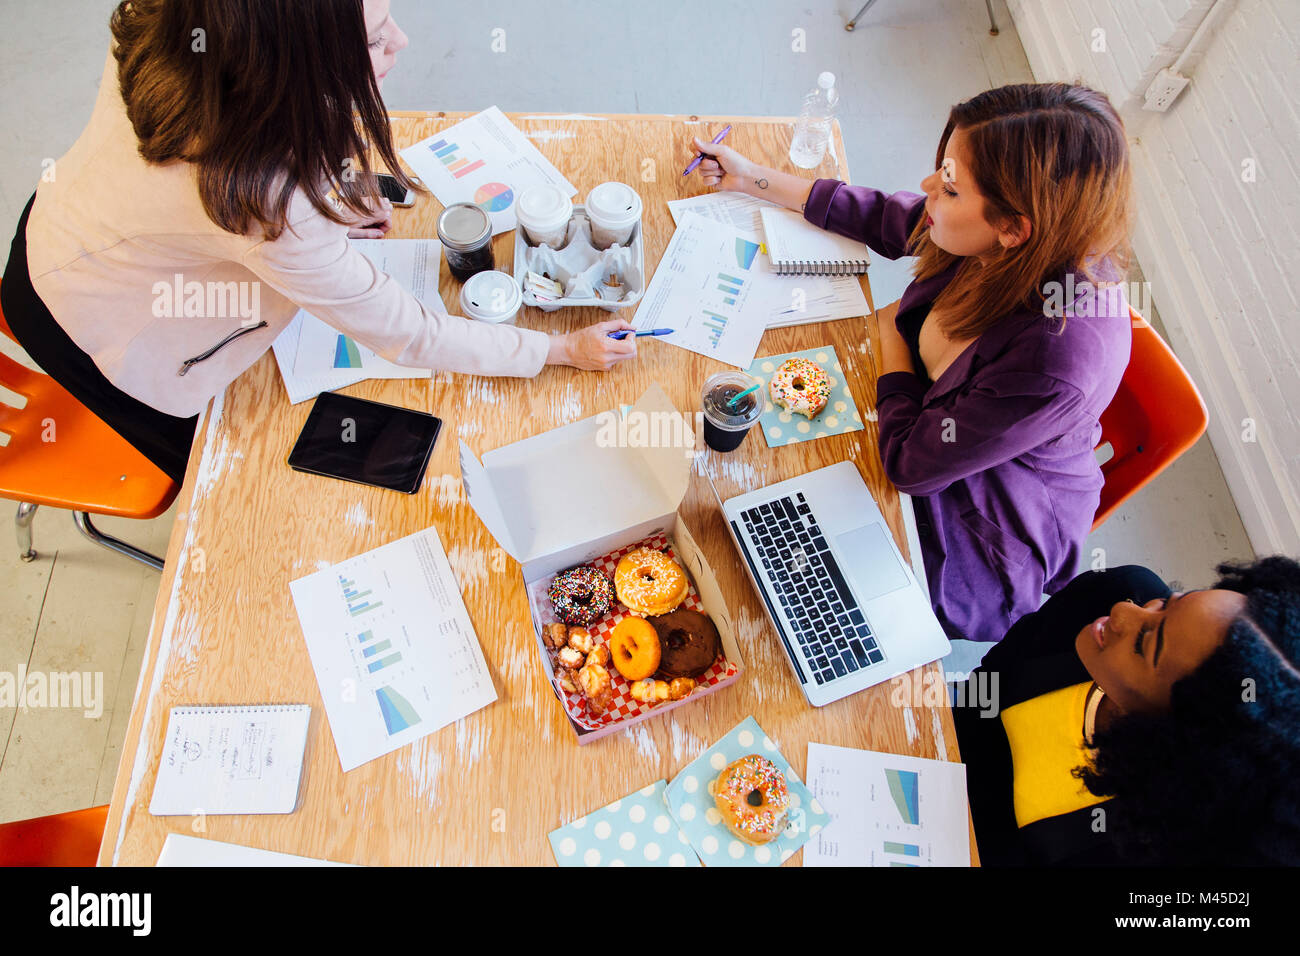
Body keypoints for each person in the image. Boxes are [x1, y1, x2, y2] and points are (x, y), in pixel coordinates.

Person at [1, 0, 634, 485]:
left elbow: (242, 164)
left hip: (69, 225)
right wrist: (557, 348)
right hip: (99, 329)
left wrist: (326, 201)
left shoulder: (169, 19)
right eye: (374, 40)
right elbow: (412, 334)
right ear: (295, 69)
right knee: (217, 473)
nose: (402, 42)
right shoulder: (269, 206)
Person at [687, 84, 1133, 643]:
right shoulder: (1019, 237)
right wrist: (752, 177)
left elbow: (911, 466)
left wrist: (891, 335)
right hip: (934, 429)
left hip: (974, 530)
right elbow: (893, 219)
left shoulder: (1055, 356)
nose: (927, 190)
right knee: (753, 494)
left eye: (948, 188)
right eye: (941, 170)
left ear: (1015, 228)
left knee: (768, 571)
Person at [951, 557, 1300, 865]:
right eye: (1169, 602)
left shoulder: (1142, 841)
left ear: (1176, 738)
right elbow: (983, 686)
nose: (1124, 611)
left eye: (1145, 640)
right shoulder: (1116, 590)